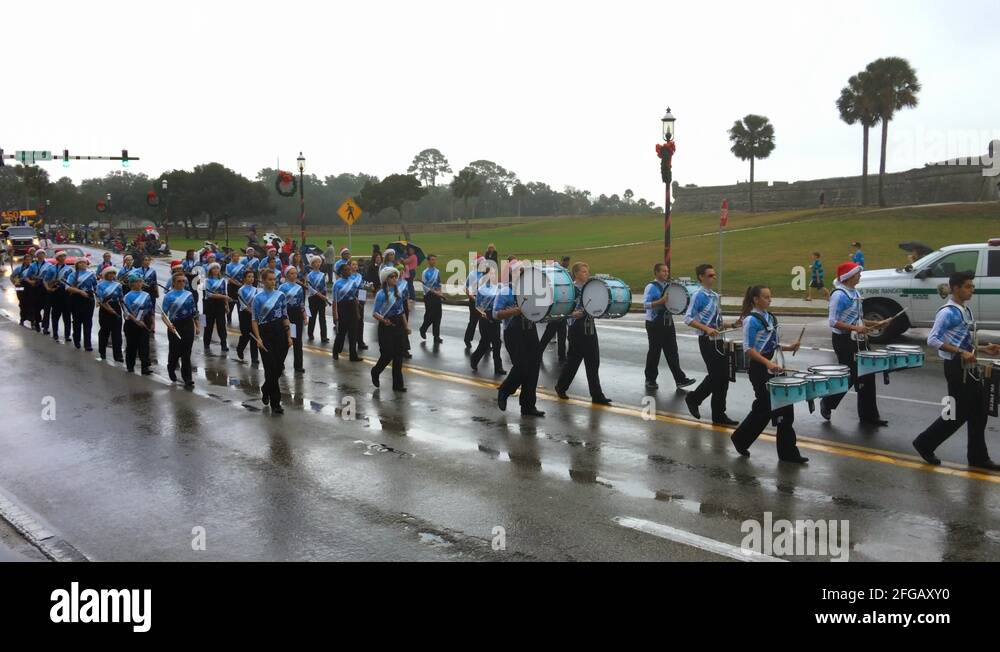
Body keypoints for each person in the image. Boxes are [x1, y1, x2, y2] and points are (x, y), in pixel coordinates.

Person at [912, 272, 1000, 470]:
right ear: (955, 288)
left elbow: (963, 341)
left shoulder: (964, 310)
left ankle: (978, 457)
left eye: (972, 286)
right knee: (957, 413)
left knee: (979, 411)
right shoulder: (947, 312)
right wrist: (961, 352)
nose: (972, 290)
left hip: (968, 366)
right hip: (955, 368)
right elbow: (932, 339)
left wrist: (985, 348)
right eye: (968, 286)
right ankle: (924, 442)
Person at [729, 285, 808, 464]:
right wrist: (768, 364)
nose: (769, 300)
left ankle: (788, 453)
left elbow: (773, 344)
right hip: (759, 369)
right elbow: (748, 349)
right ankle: (740, 439)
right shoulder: (751, 320)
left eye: (770, 297)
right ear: (756, 299)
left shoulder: (771, 317)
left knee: (785, 407)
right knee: (764, 409)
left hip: (773, 366)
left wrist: (789, 347)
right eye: (765, 297)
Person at [819, 262, 890, 427]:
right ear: (849, 276)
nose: (860, 276)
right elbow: (833, 321)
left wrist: (875, 324)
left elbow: (857, 320)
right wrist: (856, 328)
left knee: (868, 375)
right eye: (857, 273)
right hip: (844, 341)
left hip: (860, 340)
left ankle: (869, 416)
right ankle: (828, 402)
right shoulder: (839, 295)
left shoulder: (855, 292)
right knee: (850, 376)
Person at [684, 264, 741, 426]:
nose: (713, 278)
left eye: (714, 275)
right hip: (706, 341)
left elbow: (718, 324)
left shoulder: (715, 296)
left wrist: (734, 325)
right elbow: (688, 319)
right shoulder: (698, 295)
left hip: (719, 340)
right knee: (717, 376)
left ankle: (718, 414)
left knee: (724, 378)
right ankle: (693, 398)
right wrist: (706, 329)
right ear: (701, 277)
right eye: (710, 275)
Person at [555, 262, 611, 404]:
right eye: (584, 271)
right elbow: (562, 310)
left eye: (587, 271)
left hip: (590, 326)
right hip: (576, 329)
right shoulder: (570, 290)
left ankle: (597, 395)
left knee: (593, 361)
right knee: (573, 361)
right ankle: (561, 386)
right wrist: (573, 314)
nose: (587, 274)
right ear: (576, 274)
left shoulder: (590, 288)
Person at [494, 270, 545, 417]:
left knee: (534, 366)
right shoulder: (506, 291)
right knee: (522, 366)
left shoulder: (530, 292)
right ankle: (505, 390)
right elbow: (495, 314)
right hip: (513, 331)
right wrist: (515, 311)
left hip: (530, 330)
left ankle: (528, 406)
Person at [642, 263, 696, 390]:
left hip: (668, 322)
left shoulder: (669, 286)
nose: (666, 273)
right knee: (655, 352)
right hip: (654, 323)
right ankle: (650, 379)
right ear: (656, 272)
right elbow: (645, 304)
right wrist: (660, 302)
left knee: (672, 351)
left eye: (667, 271)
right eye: (663, 271)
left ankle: (680, 379)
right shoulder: (651, 287)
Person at [252, 268, 292, 414]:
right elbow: (255, 320)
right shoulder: (258, 298)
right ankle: (276, 403)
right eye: (269, 279)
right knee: (270, 367)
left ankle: (265, 388)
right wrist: (258, 338)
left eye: (274, 279)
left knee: (278, 367)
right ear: (263, 281)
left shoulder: (281, 295)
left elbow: (285, 316)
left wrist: (289, 336)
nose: (273, 282)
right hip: (265, 333)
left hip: (280, 332)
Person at [371, 267, 408, 392]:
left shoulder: (398, 292)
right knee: (387, 354)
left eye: (395, 277)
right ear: (386, 279)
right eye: (391, 277)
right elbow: (375, 313)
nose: (394, 279)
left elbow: (402, 310)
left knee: (398, 356)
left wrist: (406, 326)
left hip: (398, 325)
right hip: (386, 326)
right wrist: (384, 320)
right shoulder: (380, 294)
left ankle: (398, 385)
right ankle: (375, 371)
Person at [162, 273, 200, 387]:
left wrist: (198, 326)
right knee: (175, 351)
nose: (182, 283)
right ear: (173, 282)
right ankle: (171, 367)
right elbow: (164, 315)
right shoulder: (168, 296)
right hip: (175, 325)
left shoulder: (189, 294)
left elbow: (195, 312)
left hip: (188, 324)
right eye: (179, 281)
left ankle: (187, 378)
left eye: (184, 281)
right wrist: (169, 326)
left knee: (186, 353)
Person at [470, 264, 505, 375]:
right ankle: (474, 359)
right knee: (485, 343)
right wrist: (483, 315)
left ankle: (498, 367)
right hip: (485, 318)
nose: (493, 276)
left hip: (495, 316)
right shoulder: (481, 289)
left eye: (494, 274)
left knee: (497, 343)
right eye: (491, 274)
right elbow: (478, 306)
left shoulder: (498, 288)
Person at [538, 256, 571, 362]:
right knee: (550, 333)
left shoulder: (564, 273)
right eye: (565, 262)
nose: (567, 263)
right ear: (562, 261)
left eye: (567, 262)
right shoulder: (558, 272)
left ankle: (562, 356)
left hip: (562, 308)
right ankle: (539, 352)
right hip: (556, 309)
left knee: (562, 334)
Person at [122, 273, 154, 375]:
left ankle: (145, 367)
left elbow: (150, 309)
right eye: (137, 282)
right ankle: (130, 366)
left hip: (145, 321)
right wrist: (137, 321)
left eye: (140, 281)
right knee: (132, 345)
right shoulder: (127, 296)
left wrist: (152, 322)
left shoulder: (146, 295)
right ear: (132, 284)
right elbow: (126, 312)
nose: (139, 283)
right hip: (132, 323)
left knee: (144, 345)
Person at [331, 262, 363, 362]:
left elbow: (355, 297)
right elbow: (334, 301)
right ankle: (336, 351)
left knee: (353, 333)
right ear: (341, 272)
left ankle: (353, 355)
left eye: (349, 270)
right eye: (346, 270)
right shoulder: (337, 284)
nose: (348, 271)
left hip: (352, 307)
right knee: (341, 333)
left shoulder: (353, 282)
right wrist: (335, 314)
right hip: (342, 308)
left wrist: (358, 312)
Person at [65, 258, 97, 351]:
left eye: (85, 262)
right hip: (76, 298)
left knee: (88, 321)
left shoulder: (91, 274)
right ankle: (77, 340)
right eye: (81, 263)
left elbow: (96, 287)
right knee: (77, 320)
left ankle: (88, 344)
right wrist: (79, 291)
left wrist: (98, 298)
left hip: (88, 297)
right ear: (77, 264)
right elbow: (68, 287)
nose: (83, 264)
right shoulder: (73, 275)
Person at [279, 266, 307, 373]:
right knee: (286, 340)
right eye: (291, 273)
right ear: (286, 275)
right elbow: (280, 304)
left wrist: (304, 316)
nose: (294, 275)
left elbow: (301, 303)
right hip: (287, 314)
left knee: (298, 341)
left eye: (295, 273)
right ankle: (280, 363)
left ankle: (298, 366)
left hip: (297, 315)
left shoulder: (299, 288)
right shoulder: (282, 288)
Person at [95, 266, 124, 362]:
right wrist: (109, 309)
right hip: (105, 309)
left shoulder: (118, 285)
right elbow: (100, 300)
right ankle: (102, 352)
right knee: (105, 331)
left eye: (113, 273)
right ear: (106, 274)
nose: (112, 275)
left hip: (116, 308)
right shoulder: (100, 285)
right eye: (110, 273)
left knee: (117, 333)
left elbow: (121, 299)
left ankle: (118, 355)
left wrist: (125, 312)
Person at [43, 250, 73, 342]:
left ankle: (67, 335)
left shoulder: (69, 269)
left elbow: (72, 282)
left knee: (67, 315)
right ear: (57, 258)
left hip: (65, 293)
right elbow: (46, 280)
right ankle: (55, 333)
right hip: (55, 293)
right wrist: (49, 287)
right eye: (61, 256)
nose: (63, 258)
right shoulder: (51, 268)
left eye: (64, 256)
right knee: (55, 315)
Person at [202, 263, 230, 354]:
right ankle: (206, 343)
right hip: (209, 304)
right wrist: (223, 297)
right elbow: (209, 294)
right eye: (213, 268)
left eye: (217, 268)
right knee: (208, 325)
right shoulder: (206, 280)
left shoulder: (222, 280)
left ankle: (224, 344)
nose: (216, 270)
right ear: (210, 270)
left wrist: (226, 305)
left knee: (221, 325)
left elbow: (225, 293)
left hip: (220, 304)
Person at [236, 269, 260, 365]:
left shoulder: (255, 289)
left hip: (253, 315)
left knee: (254, 336)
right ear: (244, 278)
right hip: (245, 315)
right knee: (246, 335)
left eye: (252, 277)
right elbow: (243, 306)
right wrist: (252, 311)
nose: (251, 279)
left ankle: (254, 358)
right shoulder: (241, 290)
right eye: (249, 277)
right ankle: (240, 349)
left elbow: (257, 302)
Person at [25, 249, 52, 334]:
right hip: (36, 288)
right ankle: (37, 323)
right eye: (39, 253)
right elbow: (28, 276)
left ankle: (46, 327)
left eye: (43, 253)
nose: (41, 255)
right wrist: (34, 279)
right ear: (36, 255)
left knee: (47, 309)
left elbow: (51, 276)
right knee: (37, 308)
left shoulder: (49, 265)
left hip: (45, 288)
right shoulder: (32, 265)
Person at [306, 256, 331, 343]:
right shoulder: (309, 275)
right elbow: (310, 288)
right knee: (312, 317)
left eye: (319, 262)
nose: (317, 264)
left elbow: (324, 287)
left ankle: (324, 336)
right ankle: (310, 333)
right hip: (313, 298)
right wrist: (320, 295)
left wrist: (326, 298)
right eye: (315, 262)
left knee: (322, 318)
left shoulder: (322, 274)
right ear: (312, 264)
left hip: (322, 299)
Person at [419, 254, 444, 343]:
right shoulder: (425, 272)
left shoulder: (437, 271)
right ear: (428, 261)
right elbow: (425, 287)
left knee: (438, 316)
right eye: (432, 260)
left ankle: (436, 336)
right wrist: (436, 293)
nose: (434, 261)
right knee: (430, 315)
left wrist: (440, 292)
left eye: (435, 260)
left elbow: (439, 283)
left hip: (437, 296)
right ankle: (423, 328)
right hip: (429, 296)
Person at [464, 257, 485, 347]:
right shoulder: (472, 274)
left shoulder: (485, 274)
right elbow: (466, 288)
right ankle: (467, 339)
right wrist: (472, 297)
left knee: (484, 322)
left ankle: (485, 341)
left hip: (484, 301)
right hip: (474, 300)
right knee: (473, 321)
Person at [351, 259, 370, 351]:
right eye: (353, 264)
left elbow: (362, 288)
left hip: (360, 302)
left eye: (356, 265)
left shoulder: (359, 276)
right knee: (353, 323)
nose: (355, 266)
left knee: (360, 322)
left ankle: (360, 341)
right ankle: (353, 341)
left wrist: (363, 300)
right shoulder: (348, 277)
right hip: (351, 302)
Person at [11, 254, 33, 327]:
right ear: (24, 260)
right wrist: (15, 283)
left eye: (29, 260)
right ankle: (22, 319)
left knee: (30, 303)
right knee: (22, 303)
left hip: (29, 286)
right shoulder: (19, 268)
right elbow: (12, 276)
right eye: (26, 259)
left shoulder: (33, 268)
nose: (28, 261)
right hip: (20, 287)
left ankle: (32, 320)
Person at [225, 250, 246, 325]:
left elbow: (244, 277)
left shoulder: (242, 266)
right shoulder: (228, 266)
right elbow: (229, 278)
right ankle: (229, 319)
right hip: (232, 287)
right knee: (231, 303)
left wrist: (243, 284)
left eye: (238, 256)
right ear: (231, 257)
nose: (236, 257)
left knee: (240, 304)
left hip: (240, 287)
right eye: (235, 256)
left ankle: (241, 320)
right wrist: (238, 284)